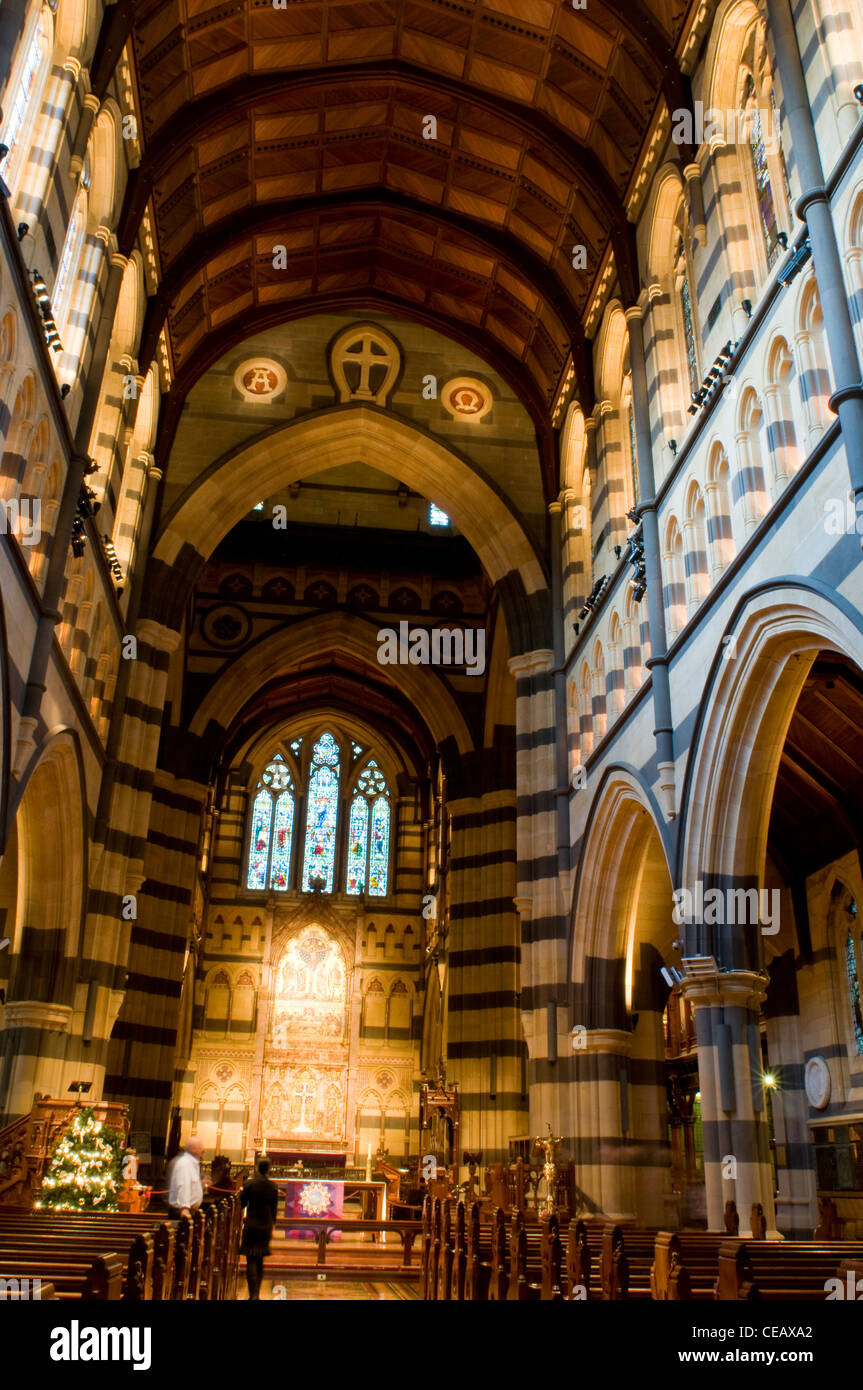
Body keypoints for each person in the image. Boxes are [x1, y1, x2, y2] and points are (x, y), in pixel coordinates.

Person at [240, 1158, 280, 1300]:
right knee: (261, 1259)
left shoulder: (249, 1184)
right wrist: (272, 1223)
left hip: (252, 1223)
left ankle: (253, 1295)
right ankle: (257, 1292)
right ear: (268, 1169)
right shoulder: (273, 1186)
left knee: (251, 1258)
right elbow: (274, 1209)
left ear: (257, 1168)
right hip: (265, 1224)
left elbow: (242, 1203)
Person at [168, 1136, 204, 1219]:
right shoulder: (185, 1164)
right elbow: (183, 1185)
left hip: (189, 1210)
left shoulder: (192, 1164)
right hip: (182, 1212)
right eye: (200, 1148)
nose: (202, 1151)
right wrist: (185, 1208)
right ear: (193, 1149)